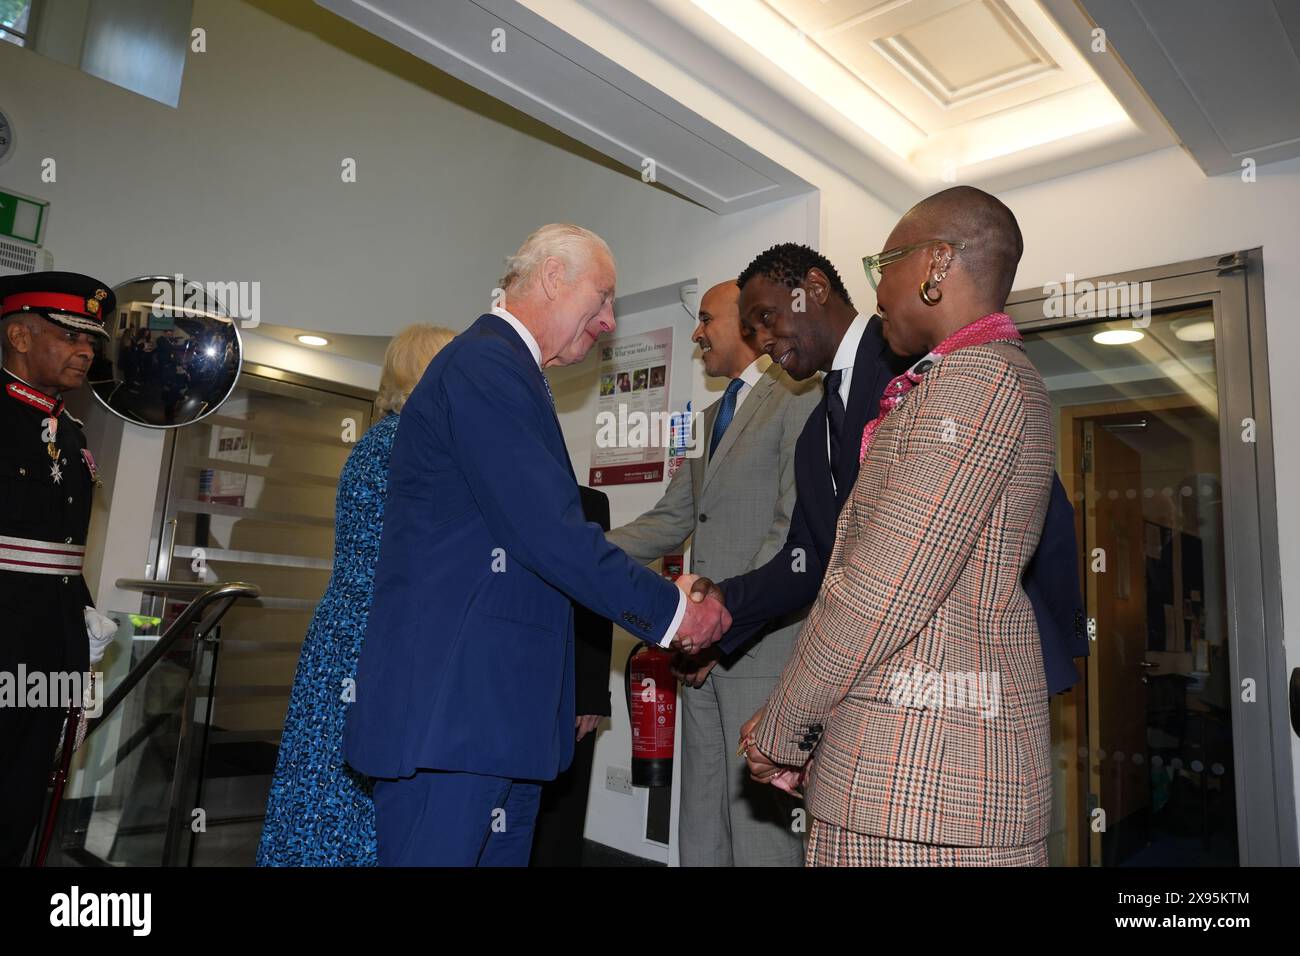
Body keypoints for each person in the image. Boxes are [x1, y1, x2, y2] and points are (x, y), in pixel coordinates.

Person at [343, 224, 730, 866]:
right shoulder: (485, 364)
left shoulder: (506, 369)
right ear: (552, 277)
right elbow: (548, 533)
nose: (608, 320)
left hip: (494, 729)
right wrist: (672, 611)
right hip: (455, 726)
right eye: (603, 297)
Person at [742, 186, 1057, 865]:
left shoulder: (976, 383)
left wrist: (783, 727)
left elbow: (882, 592)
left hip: (921, 785)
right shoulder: (962, 382)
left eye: (886, 263)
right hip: (907, 776)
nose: (878, 286)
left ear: (938, 265)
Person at [692, 243, 1086, 696]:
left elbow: (1039, 497)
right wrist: (723, 603)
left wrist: (1058, 642)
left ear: (814, 288)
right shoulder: (813, 436)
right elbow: (807, 561)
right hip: (882, 679)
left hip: (978, 671)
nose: (761, 341)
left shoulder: (920, 365)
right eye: (749, 330)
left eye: (766, 318)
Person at [606, 280, 819, 866]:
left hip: (758, 653)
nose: (696, 333)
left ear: (750, 323)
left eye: (706, 319)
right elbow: (670, 520)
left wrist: (724, 631)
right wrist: (582, 552)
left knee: (763, 837)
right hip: (698, 653)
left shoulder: (802, 398)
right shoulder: (706, 417)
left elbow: (791, 533)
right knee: (700, 821)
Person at [257, 324, 455, 866]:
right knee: (361, 797)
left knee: (321, 788)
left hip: (341, 636)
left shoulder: (377, 442)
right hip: (378, 641)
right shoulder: (418, 449)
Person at [0, 271, 118, 865]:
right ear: (20, 335)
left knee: (25, 792)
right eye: (70, 336)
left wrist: (82, 613)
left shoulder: (69, 429)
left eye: (92, 341)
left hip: (54, 644)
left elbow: (61, 545)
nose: (86, 351)